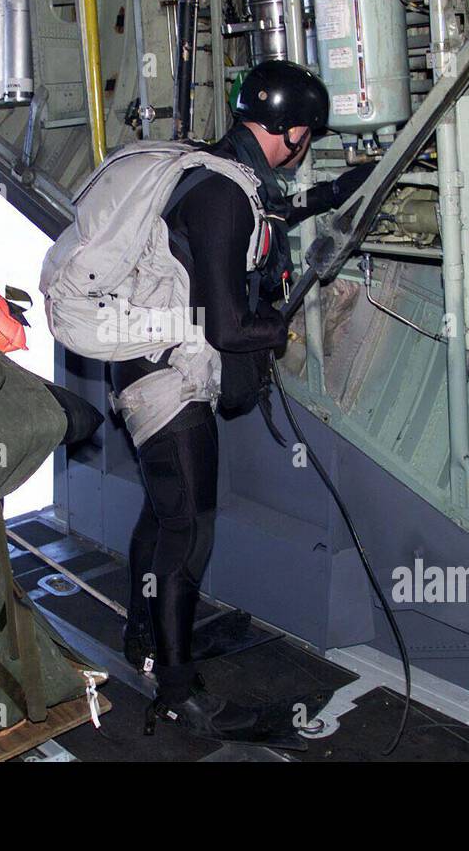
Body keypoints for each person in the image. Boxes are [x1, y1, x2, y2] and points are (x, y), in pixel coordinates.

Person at [112, 60, 375, 739]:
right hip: (167, 384)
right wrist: (282, 321)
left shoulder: (218, 172)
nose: (306, 145)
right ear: (288, 131)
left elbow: (268, 212)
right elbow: (229, 328)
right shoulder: (225, 195)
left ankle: (143, 636)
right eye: (307, 134)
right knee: (189, 532)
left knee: (164, 512)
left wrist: (333, 194)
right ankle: (175, 693)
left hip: (140, 369)